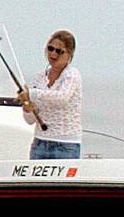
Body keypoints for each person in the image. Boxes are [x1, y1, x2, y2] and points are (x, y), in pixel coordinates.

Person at [16, 30, 83, 159]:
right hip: (40, 143)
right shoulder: (39, 78)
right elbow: (29, 120)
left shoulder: (72, 75)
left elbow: (62, 98)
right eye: (50, 49)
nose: (53, 54)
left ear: (69, 54)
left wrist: (32, 94)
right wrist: (28, 108)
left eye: (59, 51)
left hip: (66, 146)